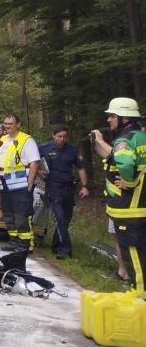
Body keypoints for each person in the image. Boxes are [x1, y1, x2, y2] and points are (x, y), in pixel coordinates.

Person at [91, 97, 146, 292]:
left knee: (131, 253)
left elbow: (125, 164)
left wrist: (129, 182)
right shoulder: (142, 138)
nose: (109, 120)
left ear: (124, 118)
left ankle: (139, 294)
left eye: (112, 116)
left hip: (128, 208)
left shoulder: (125, 141)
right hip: (141, 206)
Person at [38, 124, 89, 259]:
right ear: (53, 135)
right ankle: (65, 250)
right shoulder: (44, 148)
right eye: (59, 136)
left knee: (65, 219)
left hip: (68, 188)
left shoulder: (72, 149)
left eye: (64, 136)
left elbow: (81, 167)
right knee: (59, 217)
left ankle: (56, 245)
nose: (62, 139)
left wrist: (85, 186)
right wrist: (38, 172)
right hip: (53, 187)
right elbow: (32, 163)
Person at [0, 114, 41, 251]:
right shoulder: (3, 139)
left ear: (18, 124)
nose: (7, 126)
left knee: (21, 215)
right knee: (8, 214)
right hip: (4, 184)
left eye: (10, 124)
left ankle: (24, 244)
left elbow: (34, 162)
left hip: (21, 185)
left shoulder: (26, 140)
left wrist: (30, 183)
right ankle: (14, 241)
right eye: (5, 123)